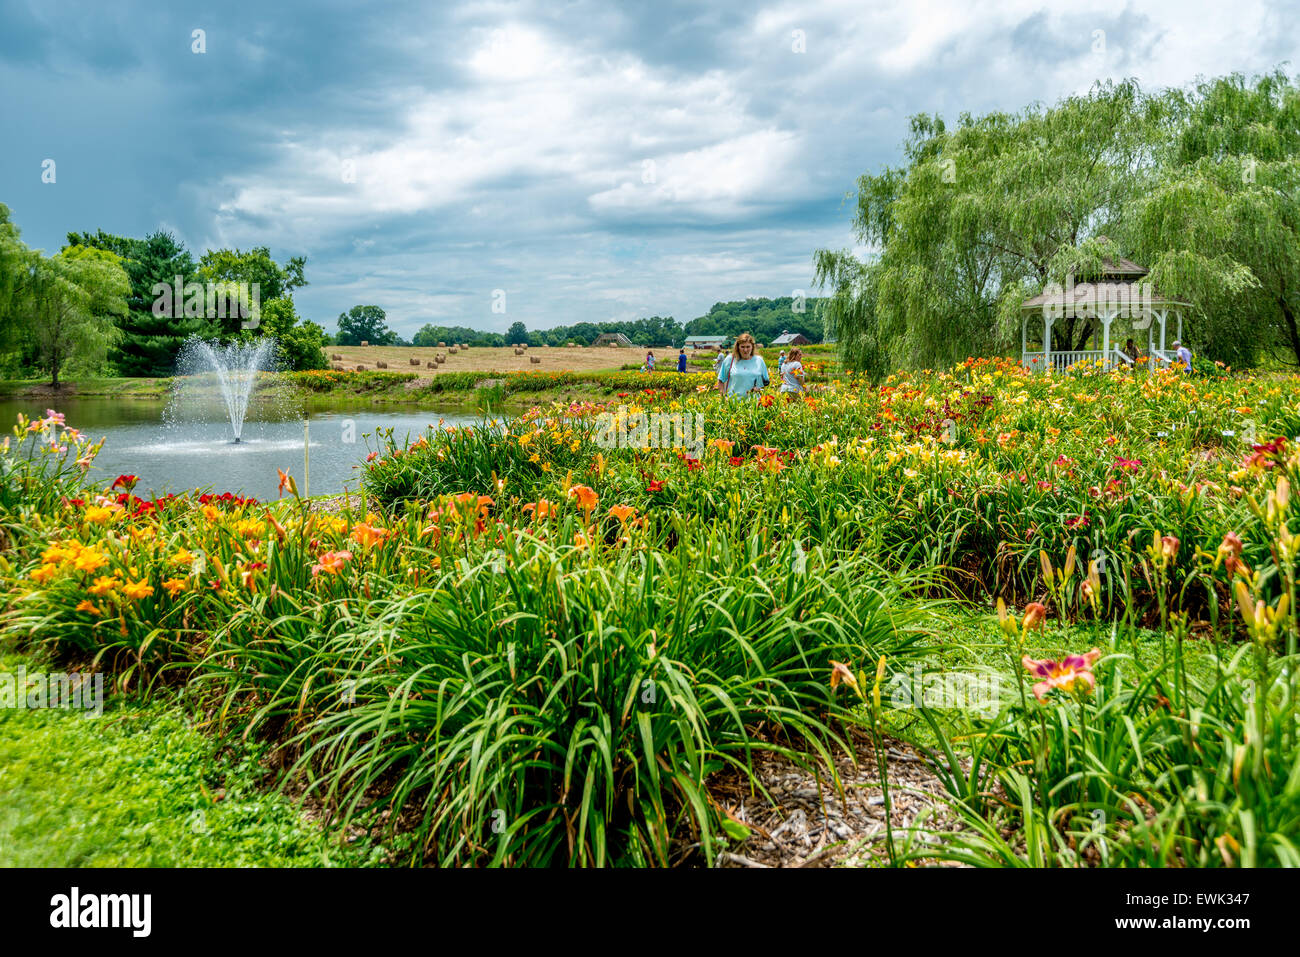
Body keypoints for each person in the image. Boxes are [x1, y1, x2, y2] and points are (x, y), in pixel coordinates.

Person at [715, 332, 769, 397]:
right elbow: (721, 380)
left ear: (752, 347)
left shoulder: (759, 360)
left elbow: (765, 382)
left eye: (748, 347)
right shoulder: (730, 359)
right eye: (742, 347)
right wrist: (723, 398)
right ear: (738, 347)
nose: (745, 350)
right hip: (734, 403)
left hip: (755, 404)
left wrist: (759, 388)